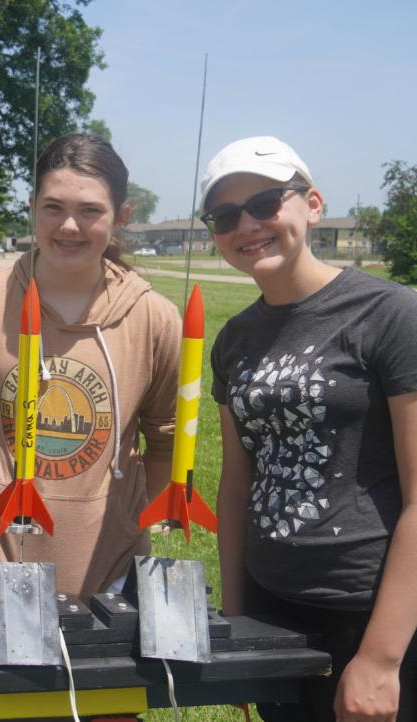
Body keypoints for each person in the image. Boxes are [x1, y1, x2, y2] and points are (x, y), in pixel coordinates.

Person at [208, 137, 417, 721]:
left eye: (267, 202)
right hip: (273, 608)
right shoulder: (234, 340)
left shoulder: (390, 314)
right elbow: (236, 484)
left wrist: (380, 658)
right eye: (225, 216)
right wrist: (234, 619)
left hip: (368, 612)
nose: (247, 224)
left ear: (313, 204)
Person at [0, 134, 180, 609]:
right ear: (31, 207)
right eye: (53, 207)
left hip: (111, 560)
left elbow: (166, 439)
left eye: (90, 210)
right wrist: (2, 484)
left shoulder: (154, 317)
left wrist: (124, 515)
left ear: (122, 216)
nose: (69, 226)